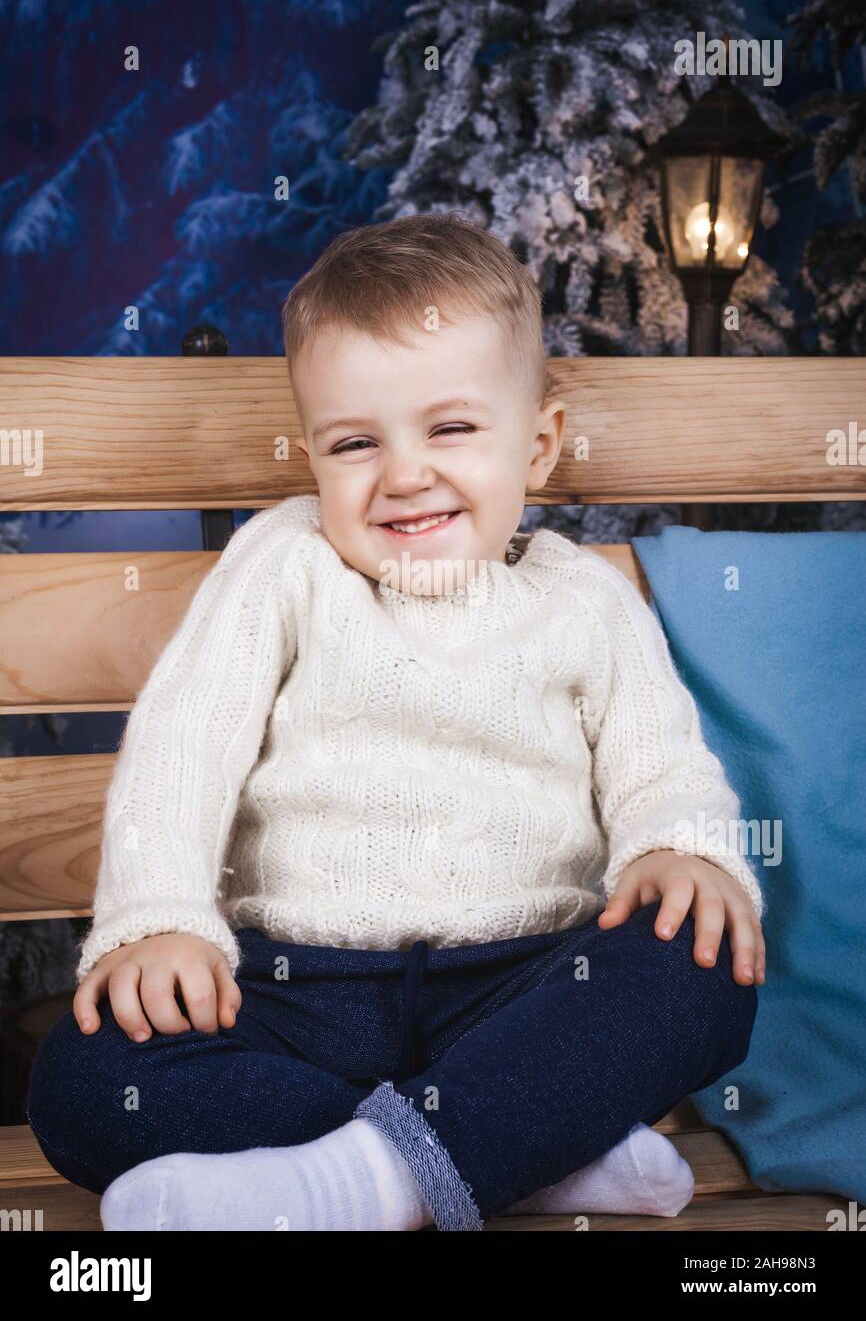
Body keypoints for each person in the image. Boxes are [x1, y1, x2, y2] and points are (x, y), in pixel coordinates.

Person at [26, 213, 765, 1232]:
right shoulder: (285, 566)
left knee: (697, 968)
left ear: (538, 443)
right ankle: (510, 1149)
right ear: (316, 454)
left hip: (520, 993)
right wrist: (157, 921)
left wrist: (683, 849)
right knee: (86, 1076)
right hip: (290, 996)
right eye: (355, 442)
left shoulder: (583, 601)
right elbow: (180, 749)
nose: (405, 472)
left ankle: (363, 1183)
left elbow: (659, 769)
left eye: (451, 428)